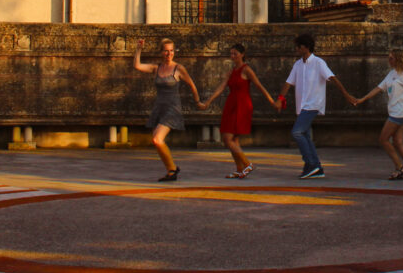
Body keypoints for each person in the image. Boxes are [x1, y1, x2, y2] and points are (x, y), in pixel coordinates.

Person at [275, 33, 356, 180]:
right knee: (304, 134)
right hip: (302, 104)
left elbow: (332, 78)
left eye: (298, 47)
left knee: (297, 132)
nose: (297, 49)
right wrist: (280, 99)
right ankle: (315, 167)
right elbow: (288, 83)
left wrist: (346, 95)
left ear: (305, 47)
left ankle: (311, 164)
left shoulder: (318, 63)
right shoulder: (298, 64)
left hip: (313, 104)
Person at [197, 42, 278, 179]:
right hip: (231, 103)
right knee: (233, 139)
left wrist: (272, 102)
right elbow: (221, 88)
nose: (232, 56)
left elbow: (260, 86)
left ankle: (247, 164)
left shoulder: (246, 70)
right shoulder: (231, 72)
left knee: (228, 138)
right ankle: (239, 168)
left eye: (235, 53)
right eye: (231, 54)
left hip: (242, 105)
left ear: (242, 54)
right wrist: (208, 102)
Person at [351, 48, 403, 179]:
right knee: (398, 142)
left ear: (398, 59)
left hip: (399, 112)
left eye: (391, 58)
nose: (389, 60)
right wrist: (362, 99)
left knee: (383, 139)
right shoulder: (392, 73)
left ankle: (400, 167)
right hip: (396, 111)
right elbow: (379, 88)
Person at [132, 38, 201, 182]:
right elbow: (137, 65)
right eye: (166, 51)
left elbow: (192, 85)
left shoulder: (179, 68)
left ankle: (172, 169)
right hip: (160, 107)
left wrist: (198, 102)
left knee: (157, 139)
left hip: (172, 108)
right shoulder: (157, 68)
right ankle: (171, 169)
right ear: (161, 52)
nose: (169, 53)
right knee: (155, 140)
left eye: (171, 51)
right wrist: (139, 49)